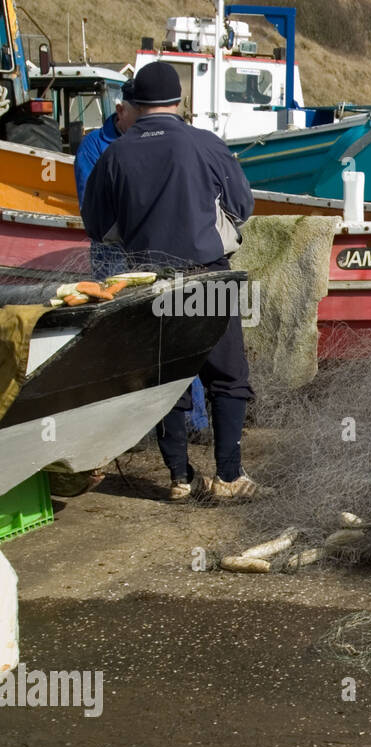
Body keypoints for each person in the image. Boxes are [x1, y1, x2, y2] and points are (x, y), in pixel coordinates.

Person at [81, 61, 259, 502]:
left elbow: (97, 226)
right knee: (228, 378)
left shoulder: (113, 153)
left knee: (165, 381)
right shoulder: (205, 144)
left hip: (147, 283)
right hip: (207, 276)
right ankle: (230, 476)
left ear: (136, 104)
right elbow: (242, 205)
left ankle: (180, 479)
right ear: (179, 103)